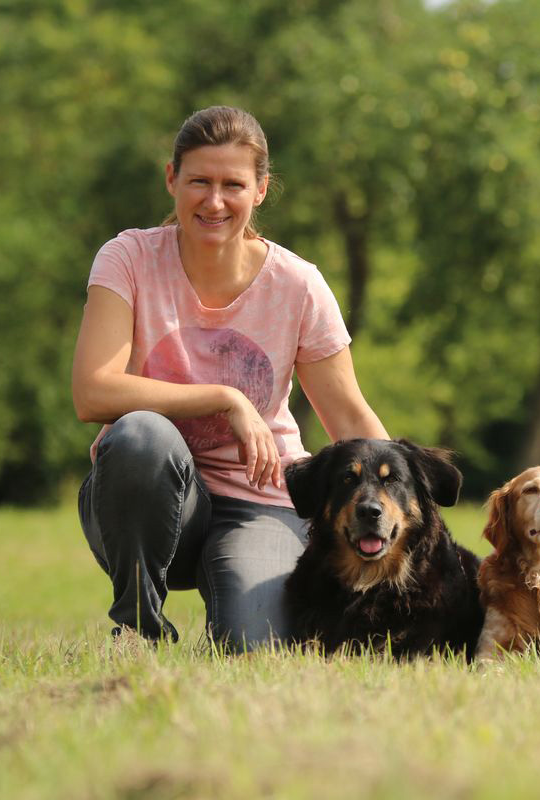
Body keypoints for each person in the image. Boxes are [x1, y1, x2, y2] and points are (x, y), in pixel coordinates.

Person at [71, 105, 388, 651]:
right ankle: (138, 629)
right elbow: (93, 391)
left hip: (262, 502)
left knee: (254, 649)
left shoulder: (298, 284)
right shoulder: (128, 258)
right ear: (172, 179)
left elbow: (350, 418)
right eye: (199, 181)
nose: (214, 201)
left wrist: (416, 514)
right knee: (141, 435)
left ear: (261, 189)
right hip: (143, 499)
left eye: (233, 185)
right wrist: (227, 399)